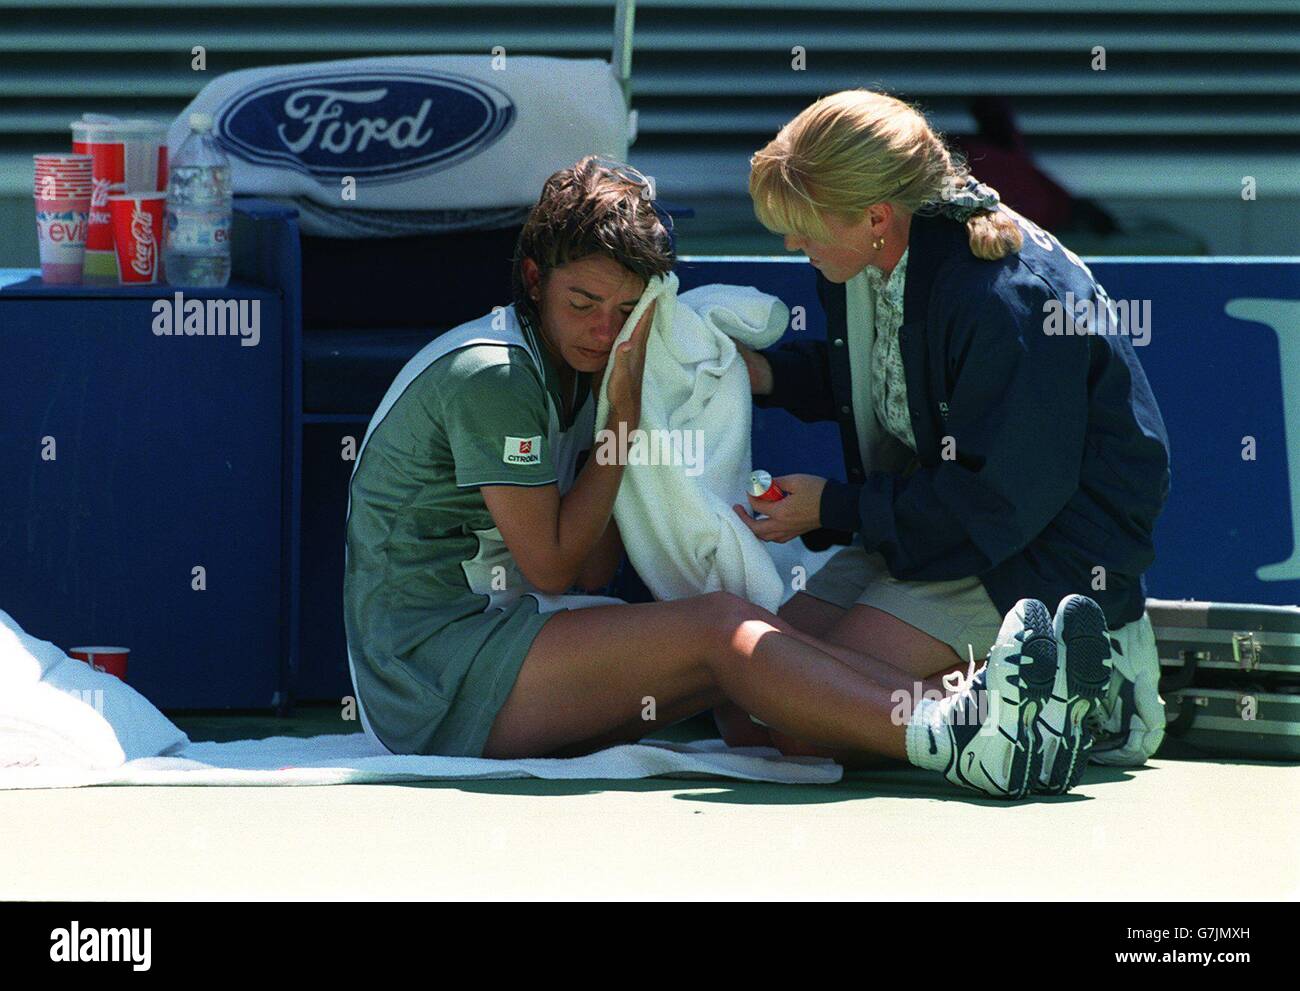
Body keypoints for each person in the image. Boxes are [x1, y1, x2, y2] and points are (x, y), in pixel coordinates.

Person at [341, 154, 1115, 801]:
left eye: (623, 308)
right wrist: (622, 423)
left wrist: (640, 431)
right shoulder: (497, 374)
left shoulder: (585, 361)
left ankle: (991, 707)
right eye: (582, 303)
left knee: (758, 697)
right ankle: (962, 739)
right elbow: (551, 564)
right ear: (534, 276)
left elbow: (594, 564)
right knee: (721, 627)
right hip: (430, 679)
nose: (604, 330)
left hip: (504, 637)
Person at [720, 90, 1171, 776]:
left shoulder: (1002, 298)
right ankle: (1010, 697)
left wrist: (834, 508)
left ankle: (1084, 687)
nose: (791, 243)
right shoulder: (874, 251)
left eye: (803, 226)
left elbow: (1000, 499)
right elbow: (889, 377)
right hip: (945, 519)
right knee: (744, 697)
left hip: (1036, 548)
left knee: (799, 723)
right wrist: (763, 374)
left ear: (875, 216)